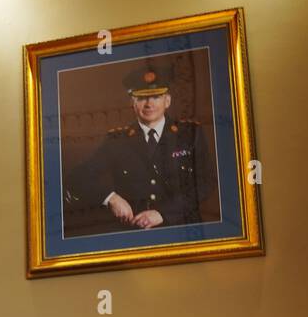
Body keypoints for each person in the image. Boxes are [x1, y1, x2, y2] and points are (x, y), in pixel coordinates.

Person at [63, 63, 210, 235]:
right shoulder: (117, 141)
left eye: (156, 97)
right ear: (132, 103)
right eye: (141, 98)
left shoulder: (189, 134)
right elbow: (76, 177)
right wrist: (111, 198)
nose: (149, 104)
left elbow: (206, 182)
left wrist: (163, 213)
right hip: (134, 232)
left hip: (182, 228)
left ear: (167, 100)